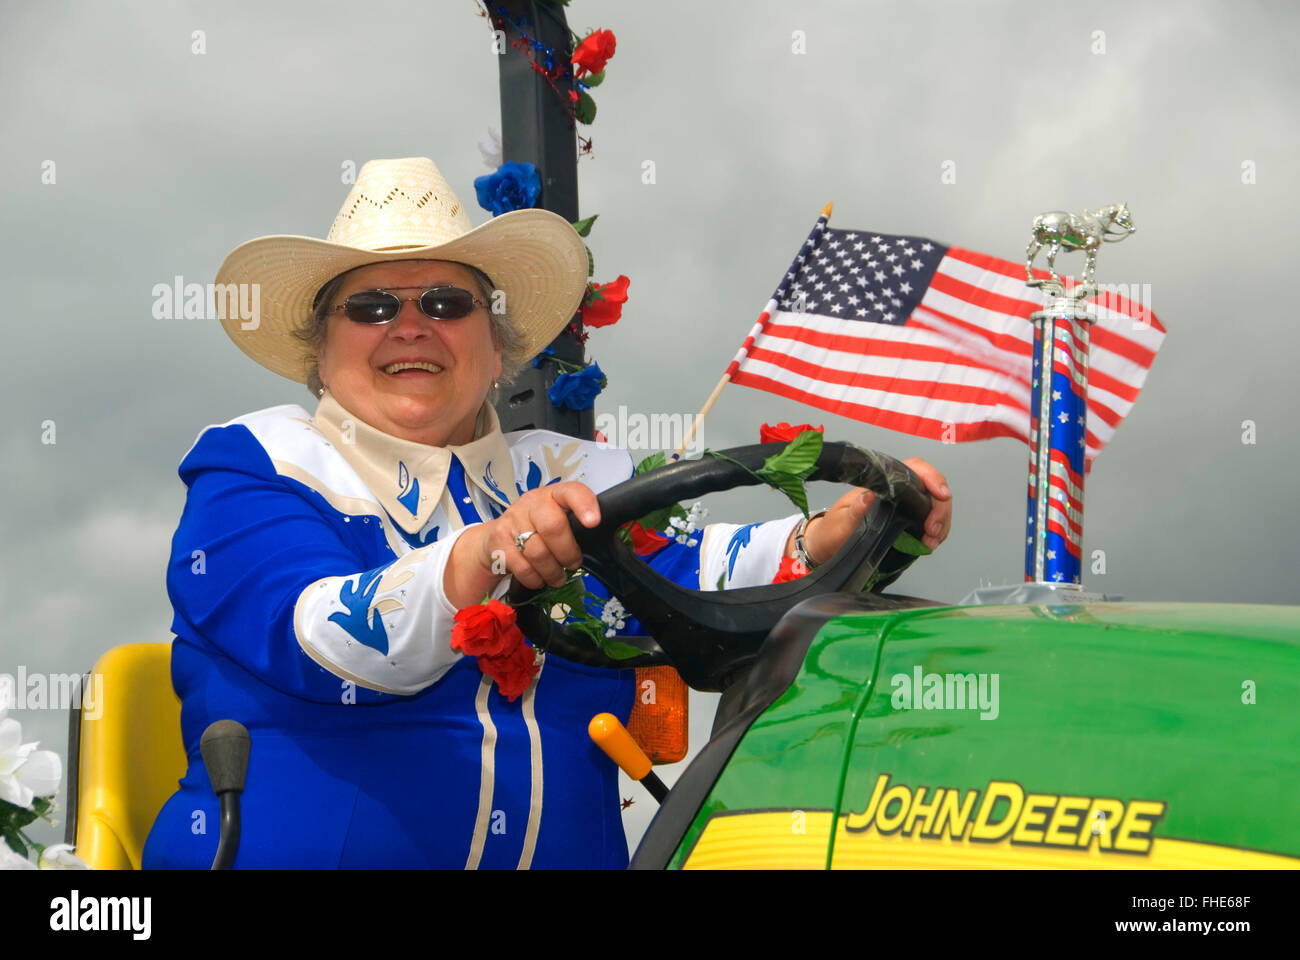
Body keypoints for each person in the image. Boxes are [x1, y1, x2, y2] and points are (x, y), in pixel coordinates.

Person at [142, 157, 952, 869]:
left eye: (446, 301)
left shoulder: (566, 472)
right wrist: (480, 555)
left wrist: (822, 539)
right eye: (372, 308)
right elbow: (320, 637)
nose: (411, 324)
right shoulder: (255, 463)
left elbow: (689, 573)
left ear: (497, 350)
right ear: (320, 352)